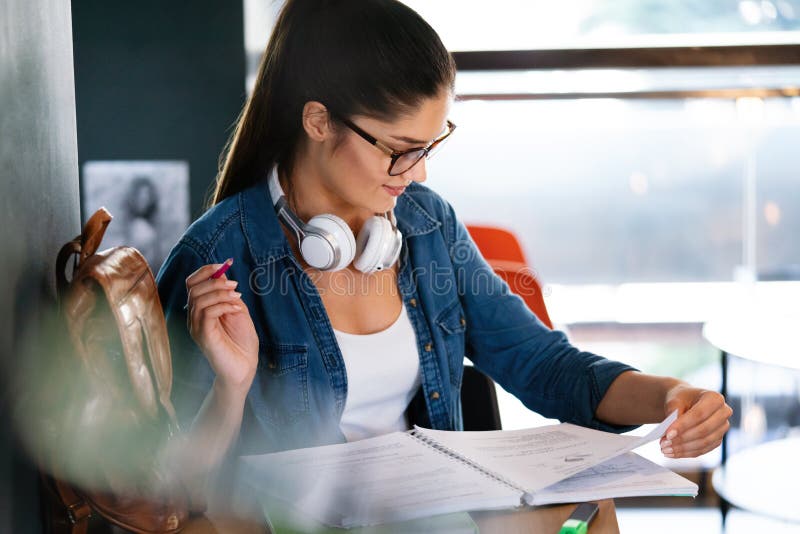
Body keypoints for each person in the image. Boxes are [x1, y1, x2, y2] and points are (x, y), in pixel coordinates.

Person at [156, 0, 731, 505]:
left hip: (424, 511)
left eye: (429, 146)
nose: (421, 171)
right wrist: (231, 388)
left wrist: (671, 396)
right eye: (401, 149)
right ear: (318, 120)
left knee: (590, 509)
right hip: (293, 520)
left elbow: (540, 363)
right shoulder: (217, 256)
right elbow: (170, 485)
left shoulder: (426, 225)